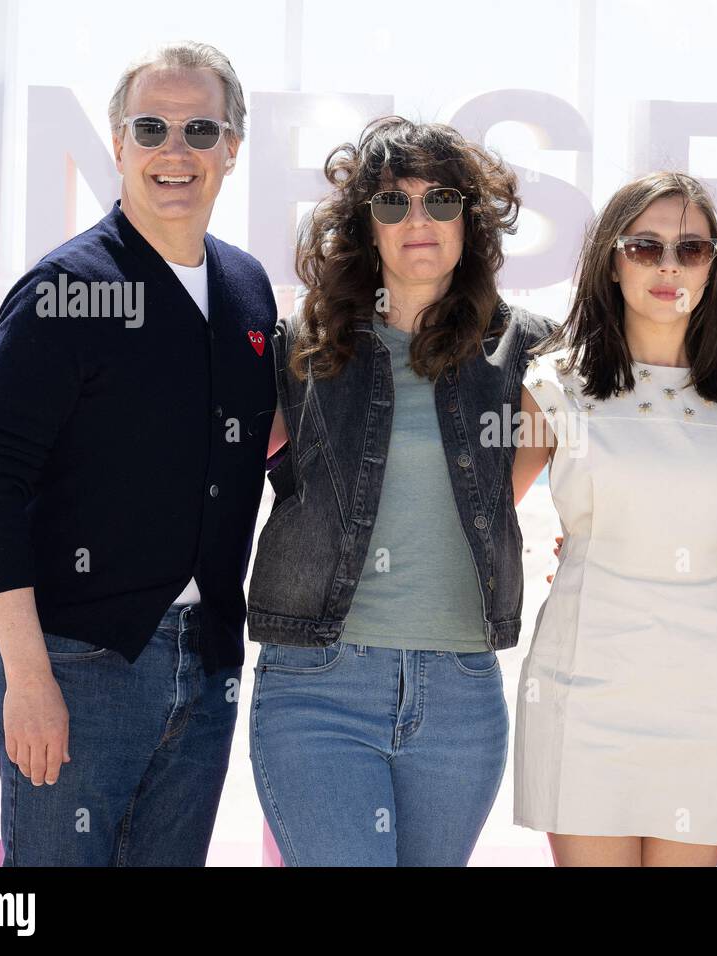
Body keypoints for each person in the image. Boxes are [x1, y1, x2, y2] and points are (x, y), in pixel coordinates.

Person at [0, 42, 277, 865]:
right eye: (152, 127)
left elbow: (260, 444)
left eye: (200, 128)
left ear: (232, 146)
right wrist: (27, 681)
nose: (176, 150)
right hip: (76, 668)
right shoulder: (66, 289)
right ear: (118, 142)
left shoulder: (247, 287)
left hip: (206, 668)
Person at [247, 116, 555, 866]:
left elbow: (657, 331)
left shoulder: (529, 350)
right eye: (393, 204)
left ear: (470, 220)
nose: (418, 220)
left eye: (441, 200)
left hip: (461, 695)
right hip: (318, 686)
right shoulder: (303, 348)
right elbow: (200, 461)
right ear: (367, 227)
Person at [509, 171, 717, 866]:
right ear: (611, 259)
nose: (668, 266)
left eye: (691, 250)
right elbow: (480, 518)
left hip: (706, 694)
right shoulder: (555, 386)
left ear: (714, 265)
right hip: (585, 689)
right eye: (644, 246)